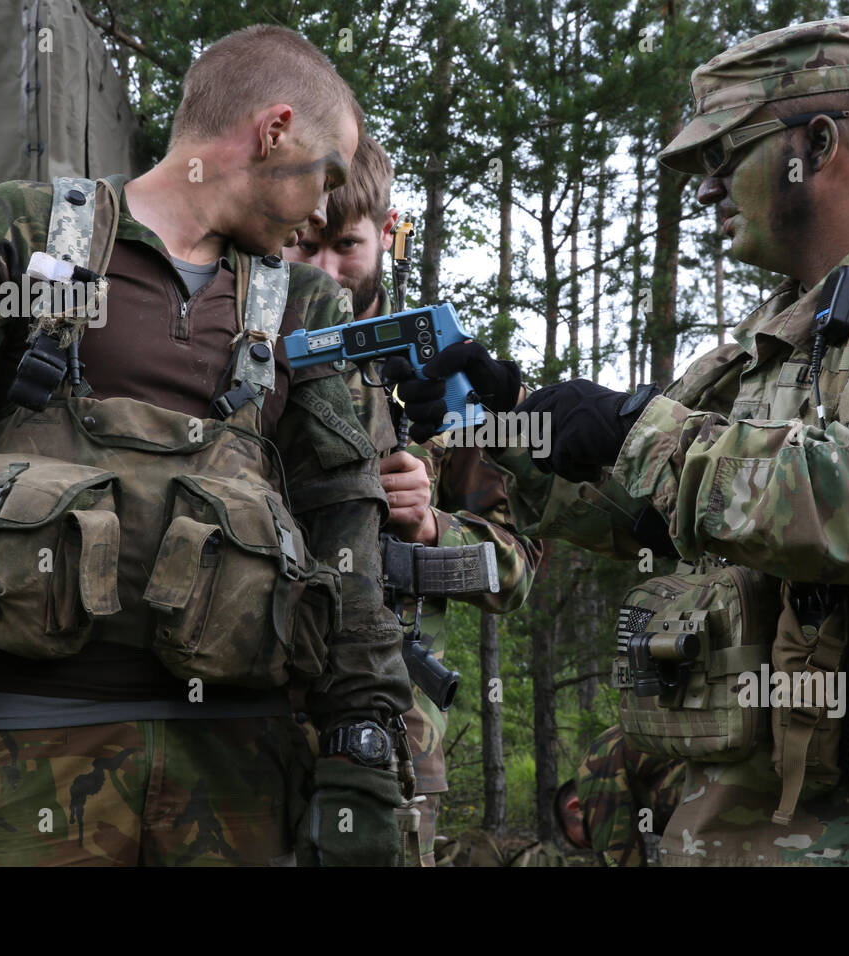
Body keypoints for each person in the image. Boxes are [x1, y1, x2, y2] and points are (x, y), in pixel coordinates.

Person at [397, 16, 849, 865]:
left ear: (821, 142)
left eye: (726, 156)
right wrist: (513, 422)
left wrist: (632, 428)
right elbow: (648, 508)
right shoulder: (774, 338)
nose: (705, 189)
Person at [0, 24, 413, 867]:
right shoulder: (16, 235)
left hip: (239, 775)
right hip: (12, 764)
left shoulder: (305, 307)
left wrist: (360, 747)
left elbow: (345, 529)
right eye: (327, 172)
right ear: (274, 131)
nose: (326, 209)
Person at [282, 135, 541, 864]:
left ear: (388, 234)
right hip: (242, 716)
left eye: (346, 246)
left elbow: (517, 569)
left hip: (392, 735)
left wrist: (431, 531)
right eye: (305, 245)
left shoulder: (443, 373)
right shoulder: (242, 352)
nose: (327, 272)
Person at [558, 724, 684, 867]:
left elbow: (619, 857)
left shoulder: (593, 775)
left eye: (588, 836)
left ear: (575, 806)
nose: (595, 844)